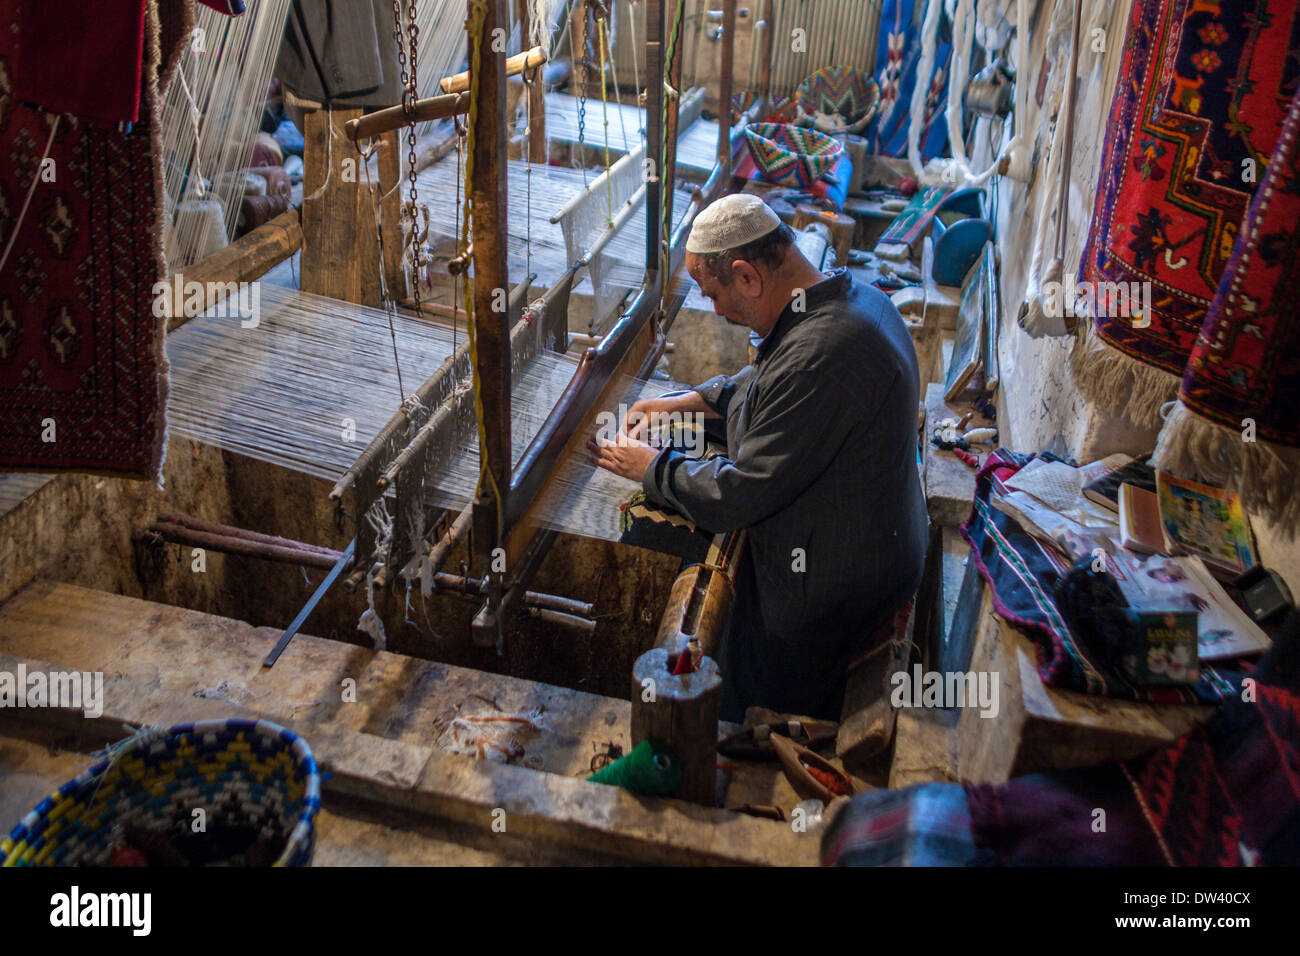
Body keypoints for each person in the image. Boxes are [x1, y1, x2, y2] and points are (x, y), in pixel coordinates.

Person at [587, 193, 928, 721]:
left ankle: (746, 732)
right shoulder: (851, 300)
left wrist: (649, 467)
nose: (716, 311)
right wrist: (686, 401)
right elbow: (768, 377)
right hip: (873, 542)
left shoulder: (821, 356)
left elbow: (738, 494)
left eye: (714, 294)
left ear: (747, 276)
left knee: (746, 691)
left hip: (836, 594)